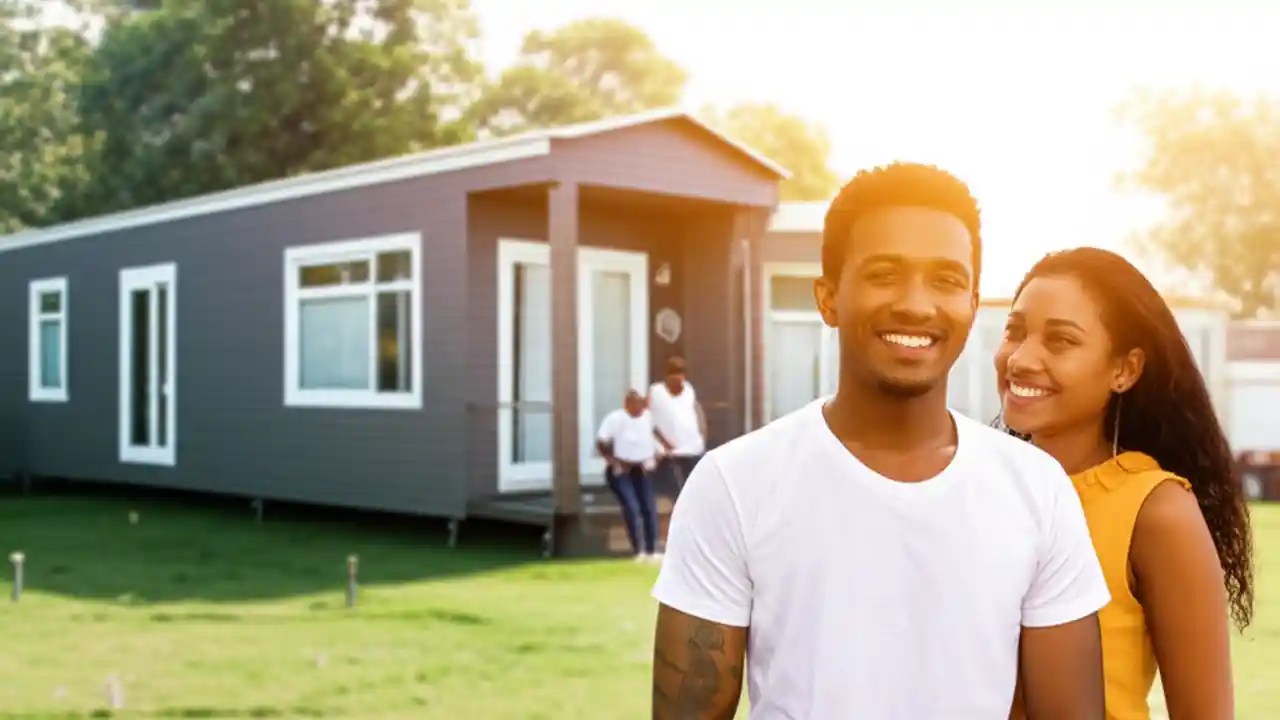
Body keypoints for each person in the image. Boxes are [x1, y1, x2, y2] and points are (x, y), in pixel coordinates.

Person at [651, 162, 1111, 719]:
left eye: (945, 280)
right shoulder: (735, 484)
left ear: (971, 303)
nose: (916, 304)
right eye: (884, 273)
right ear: (828, 298)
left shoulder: (1036, 489)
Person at [994, 247, 1254, 719]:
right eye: (1015, 332)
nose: (1022, 358)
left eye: (1061, 341)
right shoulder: (982, 487)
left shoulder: (1155, 510)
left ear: (1124, 370)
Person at [597, 389, 661, 562]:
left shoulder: (647, 417)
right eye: (634, 404)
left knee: (649, 507)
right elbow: (601, 442)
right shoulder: (615, 419)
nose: (638, 408)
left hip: (641, 468)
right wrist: (613, 461)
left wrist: (656, 454)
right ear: (627, 404)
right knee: (632, 508)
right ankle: (638, 551)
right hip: (621, 470)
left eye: (640, 404)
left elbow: (652, 438)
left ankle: (652, 550)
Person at [648, 356, 707, 499]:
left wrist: (702, 433)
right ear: (667, 377)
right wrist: (662, 443)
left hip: (693, 449)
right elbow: (648, 420)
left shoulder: (688, 389)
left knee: (695, 490)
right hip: (670, 454)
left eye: (681, 376)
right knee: (677, 493)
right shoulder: (656, 392)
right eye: (674, 377)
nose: (678, 381)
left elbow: (696, 410)